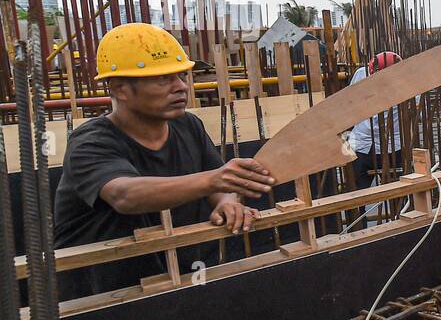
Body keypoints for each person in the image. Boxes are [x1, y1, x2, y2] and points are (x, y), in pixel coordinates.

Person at [54, 23, 276, 299]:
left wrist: (226, 202)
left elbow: (216, 182)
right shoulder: (90, 142)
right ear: (120, 89)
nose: (181, 87)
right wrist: (215, 180)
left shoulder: (188, 125)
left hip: (178, 279)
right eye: (162, 79)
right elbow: (125, 195)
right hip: (102, 297)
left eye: (181, 76)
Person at [345, 51, 403, 189]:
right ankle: (357, 211)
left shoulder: (406, 80)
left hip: (392, 146)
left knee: (396, 192)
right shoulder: (361, 74)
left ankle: (398, 210)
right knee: (355, 193)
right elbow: (349, 101)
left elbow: (416, 109)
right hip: (360, 143)